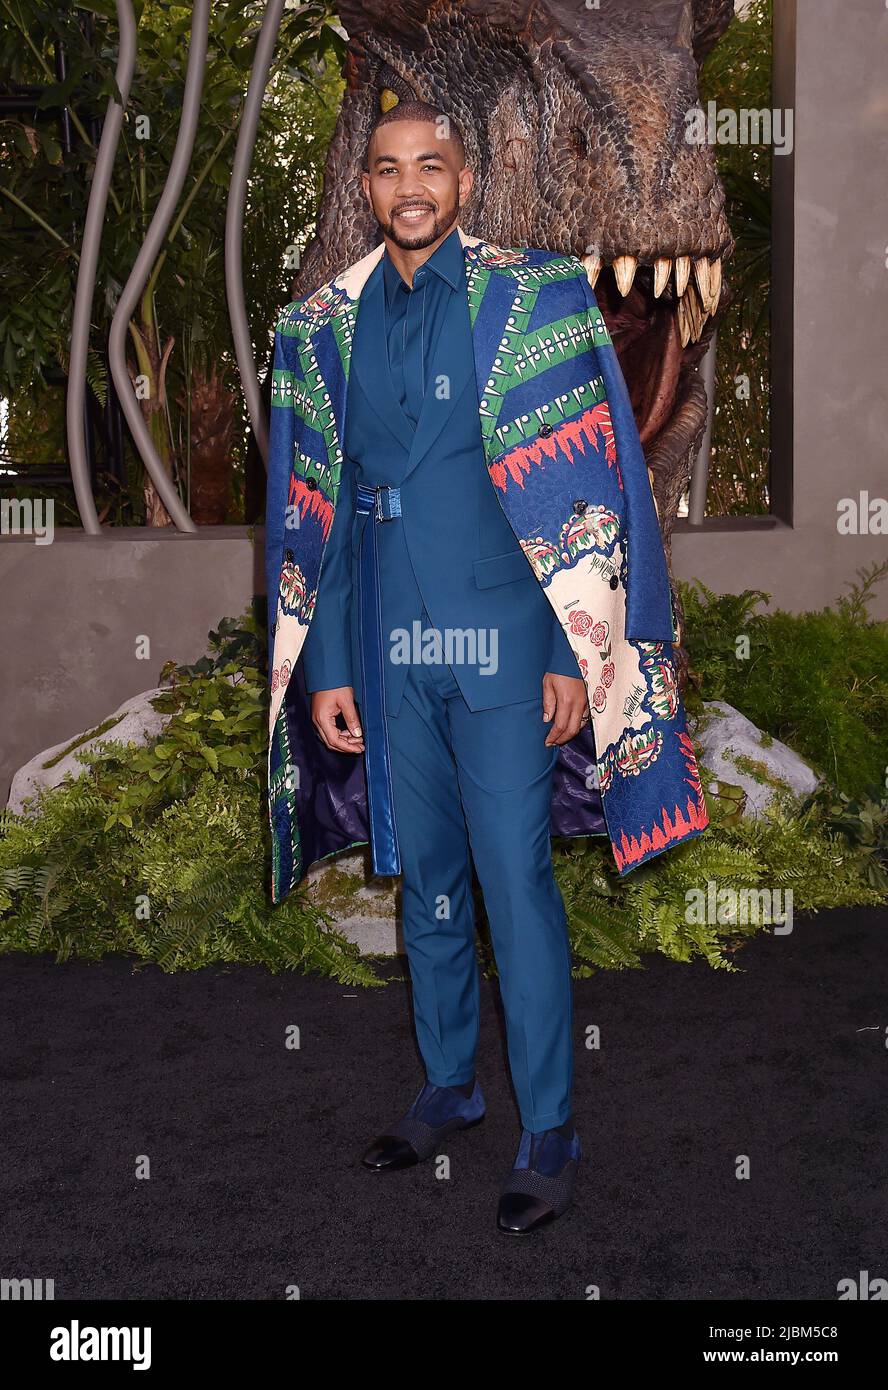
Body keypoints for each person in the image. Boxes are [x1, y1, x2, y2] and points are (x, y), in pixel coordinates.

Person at [265, 99, 708, 1234]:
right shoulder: (321, 327)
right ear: (364, 187)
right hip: (388, 644)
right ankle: (450, 1084)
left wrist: (575, 643)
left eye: (430, 166)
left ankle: (548, 1123)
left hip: (509, 643)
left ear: (464, 182)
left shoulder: (537, 295)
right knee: (428, 879)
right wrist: (325, 666)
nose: (407, 186)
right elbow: (322, 513)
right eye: (385, 168)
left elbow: (593, 480)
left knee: (516, 881)